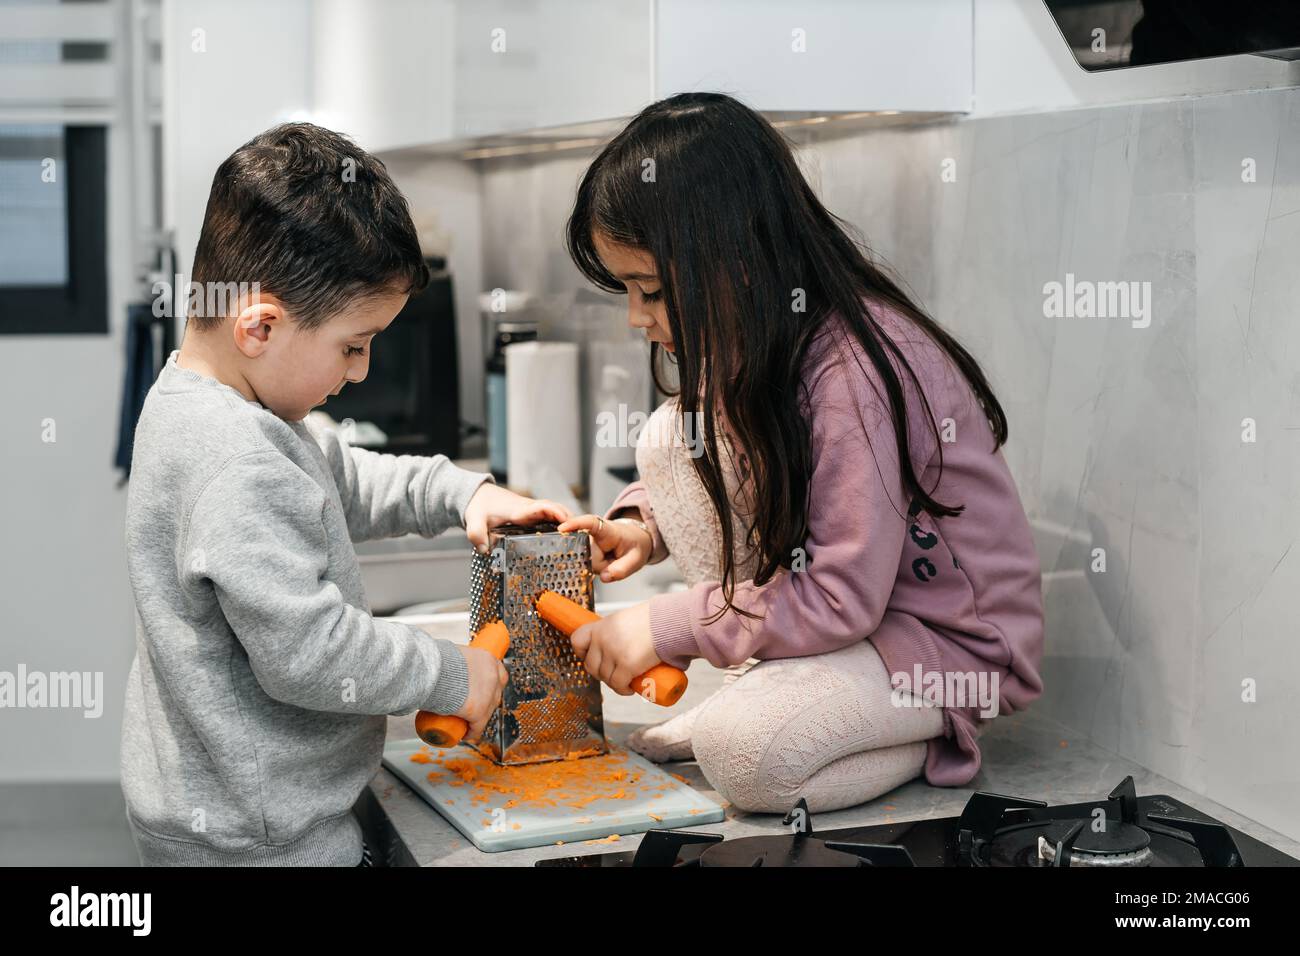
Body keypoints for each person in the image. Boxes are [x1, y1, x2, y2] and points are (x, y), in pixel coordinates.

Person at [558, 93, 1045, 814]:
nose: (637, 316)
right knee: (672, 432)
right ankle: (782, 698)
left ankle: (914, 727)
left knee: (743, 759)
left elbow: (840, 595)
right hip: (861, 627)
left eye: (651, 289)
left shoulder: (855, 370)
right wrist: (641, 526)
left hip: (950, 651)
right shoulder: (757, 340)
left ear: (737, 259)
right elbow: (737, 467)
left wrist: (668, 626)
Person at [121, 123, 567, 865]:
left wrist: (463, 496)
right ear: (259, 325)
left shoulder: (214, 405)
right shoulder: (235, 458)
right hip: (261, 836)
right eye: (353, 346)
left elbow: (346, 477)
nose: (360, 372)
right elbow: (310, 653)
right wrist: (454, 674)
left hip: (235, 805)